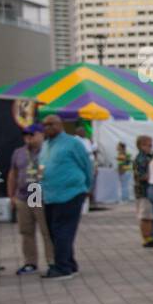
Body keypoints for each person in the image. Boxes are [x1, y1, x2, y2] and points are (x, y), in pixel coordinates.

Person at [37, 114, 93, 280]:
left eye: (51, 124)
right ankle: (69, 263)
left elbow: (87, 165)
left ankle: (62, 268)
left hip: (71, 193)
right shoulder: (46, 145)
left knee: (62, 231)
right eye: (45, 125)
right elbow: (41, 169)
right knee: (54, 231)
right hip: (50, 195)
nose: (47, 128)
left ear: (60, 125)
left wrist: (88, 187)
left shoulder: (73, 143)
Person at [7, 123, 54, 274]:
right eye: (26, 135)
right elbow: (12, 174)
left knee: (46, 230)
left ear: (41, 135)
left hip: (40, 193)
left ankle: (52, 261)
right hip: (23, 195)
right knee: (26, 231)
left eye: (32, 135)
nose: (28, 138)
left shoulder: (48, 151)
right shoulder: (19, 152)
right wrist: (11, 196)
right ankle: (30, 262)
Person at [132, 135, 153, 248]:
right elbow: (140, 176)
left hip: (149, 191)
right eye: (149, 145)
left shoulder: (148, 156)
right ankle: (147, 238)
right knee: (146, 216)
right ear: (141, 145)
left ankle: (151, 236)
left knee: (151, 215)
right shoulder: (141, 158)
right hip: (143, 191)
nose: (151, 147)